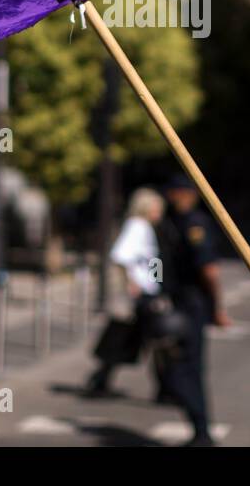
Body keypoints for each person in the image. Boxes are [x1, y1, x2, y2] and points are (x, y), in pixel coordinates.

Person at [156, 174, 230, 446]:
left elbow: (209, 270)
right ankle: (199, 429)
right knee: (175, 368)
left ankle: (202, 432)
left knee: (186, 369)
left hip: (192, 305)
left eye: (179, 192)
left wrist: (217, 308)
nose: (174, 197)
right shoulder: (172, 222)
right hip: (178, 302)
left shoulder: (195, 225)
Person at [85, 187, 165, 397]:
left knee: (142, 340)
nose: (160, 212)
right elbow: (121, 256)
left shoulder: (147, 227)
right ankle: (165, 388)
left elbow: (153, 260)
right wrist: (134, 283)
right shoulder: (138, 226)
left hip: (149, 291)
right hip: (141, 294)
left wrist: (158, 284)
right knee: (154, 341)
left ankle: (102, 379)